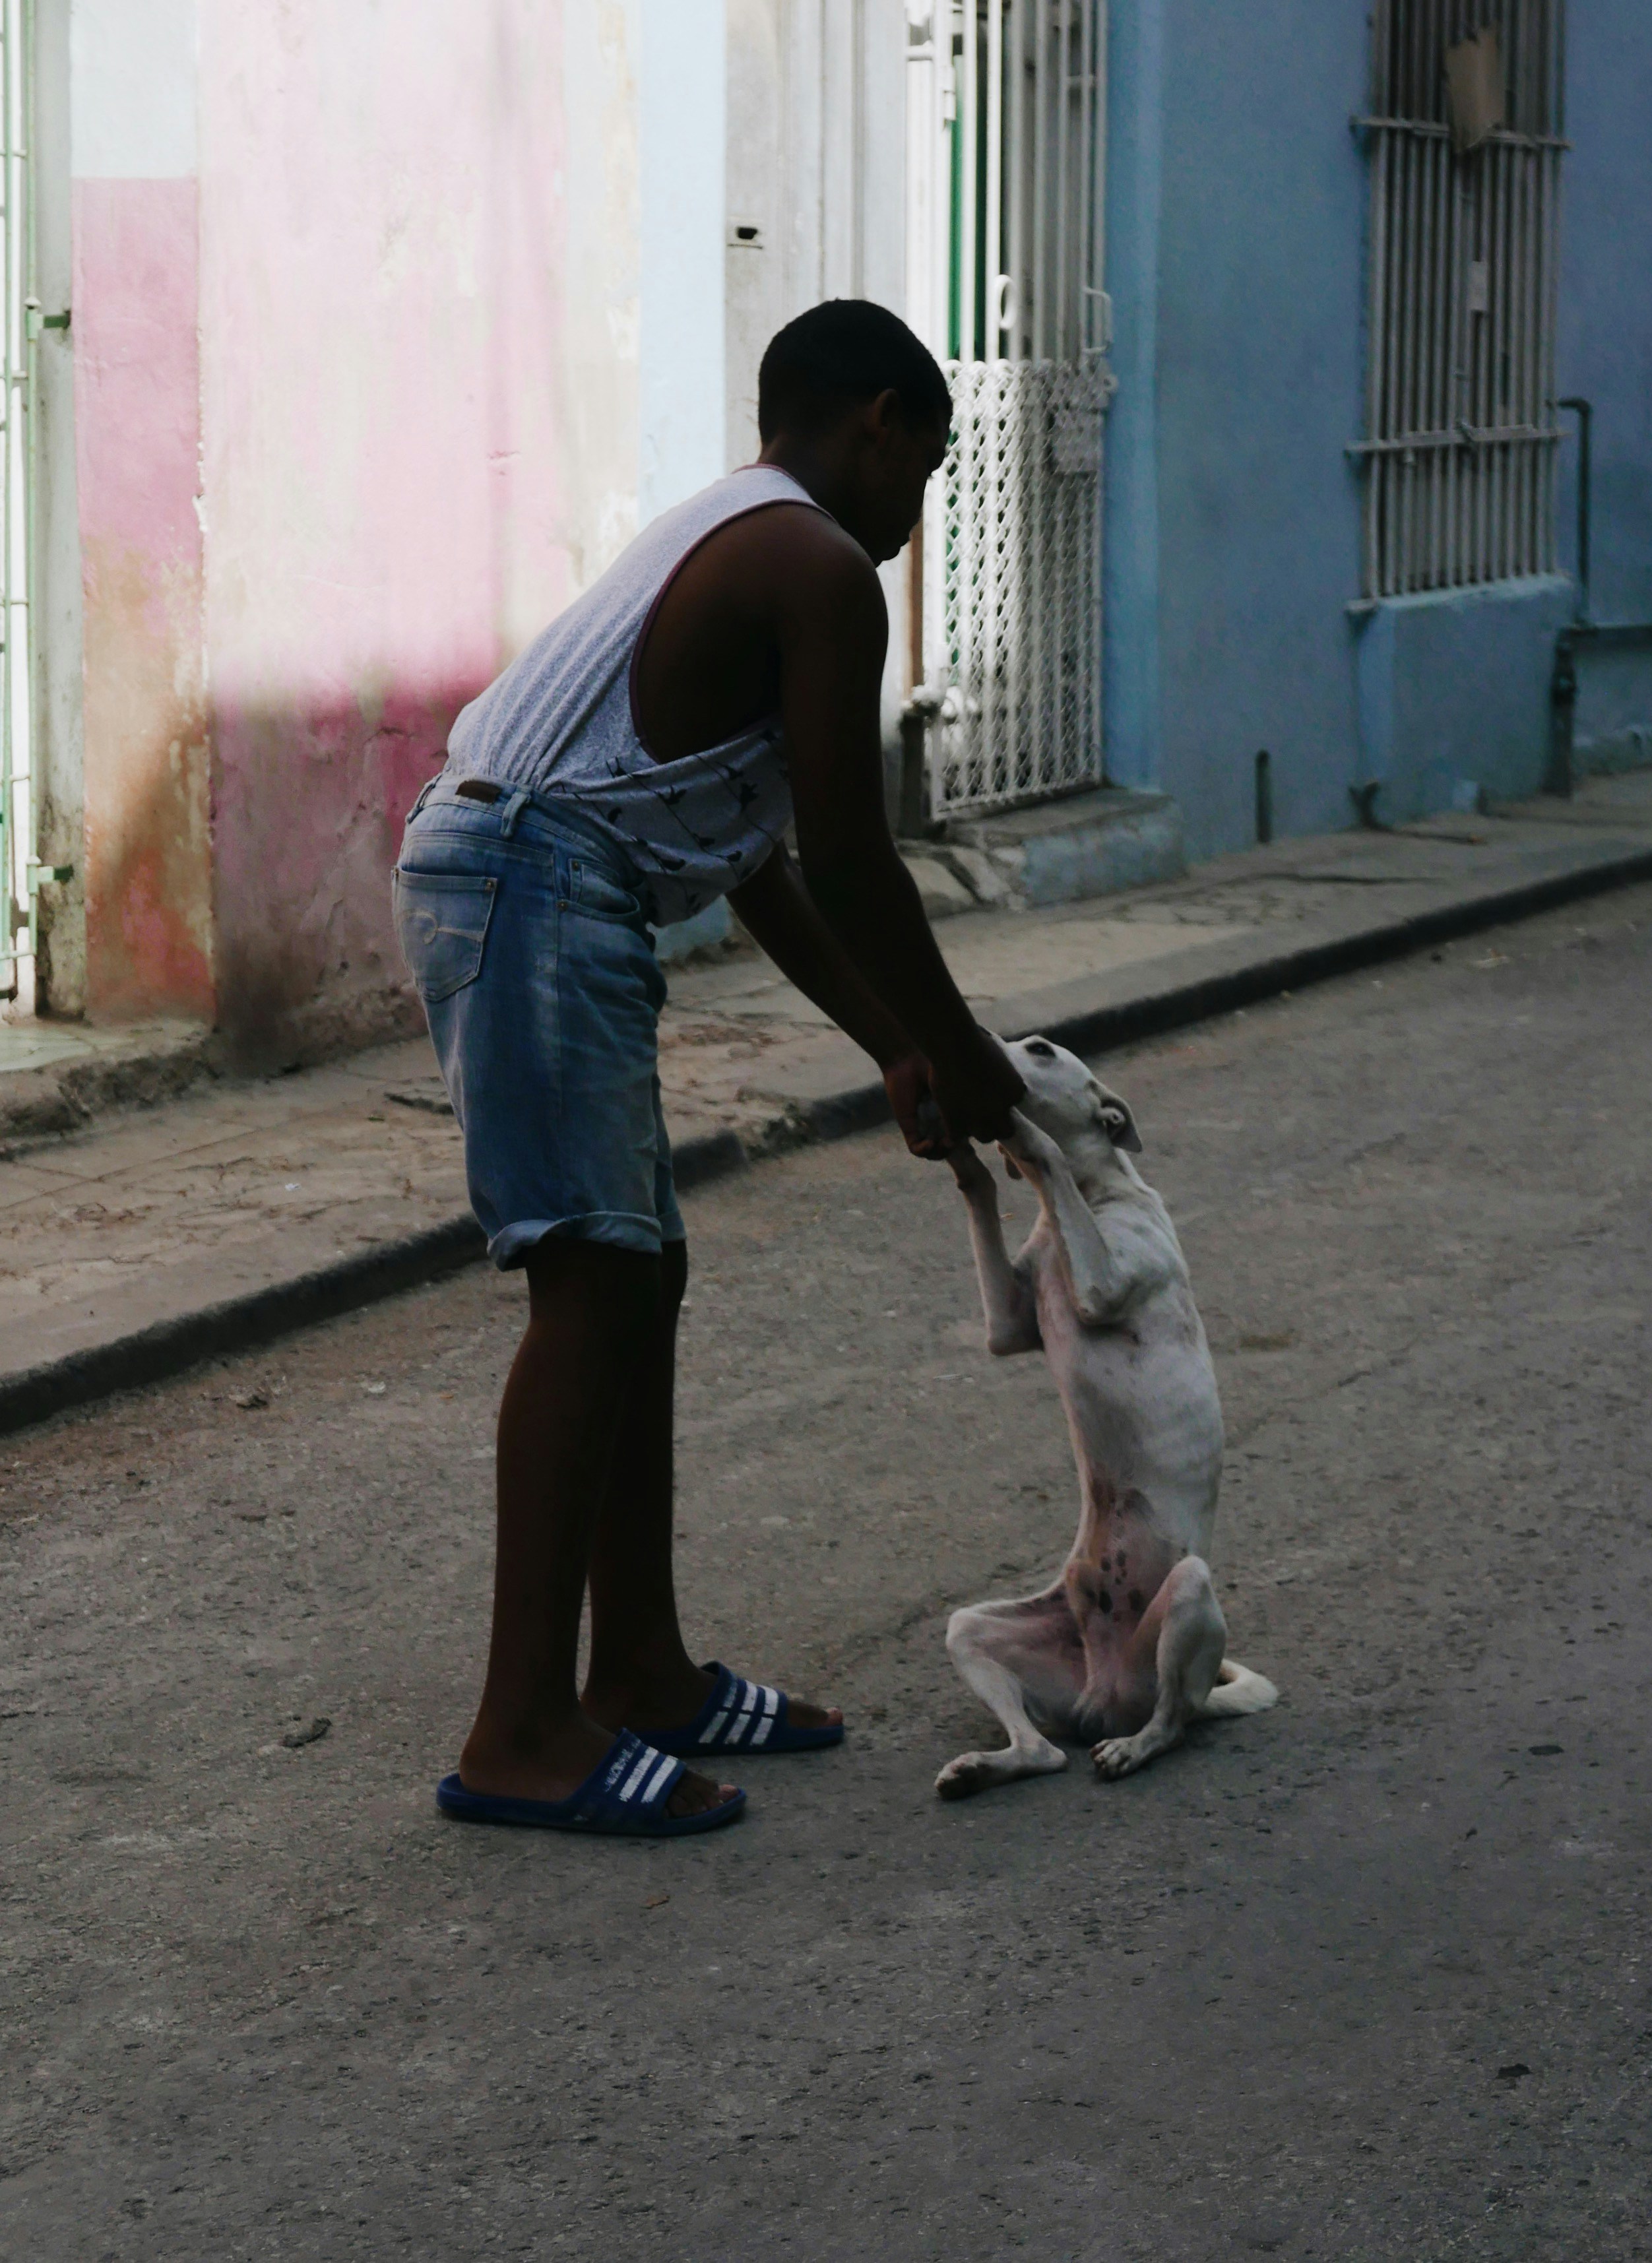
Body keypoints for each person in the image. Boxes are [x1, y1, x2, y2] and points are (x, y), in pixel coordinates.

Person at [395, 299, 1025, 1838]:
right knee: (593, 1279)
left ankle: (645, 1672)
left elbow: (753, 858)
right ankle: (521, 1727)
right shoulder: (811, 562)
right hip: (529, 874)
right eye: (925, 470)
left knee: (636, 1274)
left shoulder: (747, 541)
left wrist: (890, 1041)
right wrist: (962, 1047)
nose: (914, 515)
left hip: (543, 870)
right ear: (876, 422)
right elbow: (854, 853)